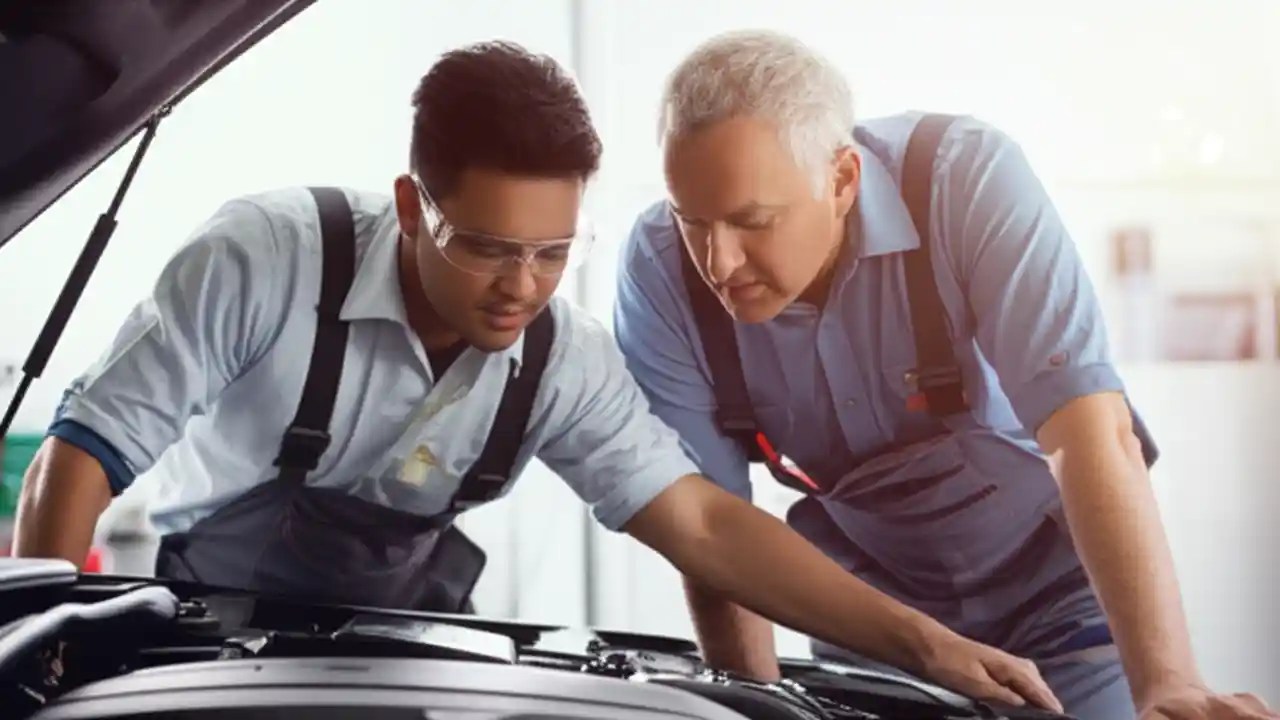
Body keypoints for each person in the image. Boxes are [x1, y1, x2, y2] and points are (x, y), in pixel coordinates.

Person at [10, 38, 1061, 709]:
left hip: (396, 654)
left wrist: (923, 645)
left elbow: (697, 522)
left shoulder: (560, 360)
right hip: (203, 649)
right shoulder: (267, 257)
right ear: (413, 204)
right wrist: (40, 660)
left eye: (553, 253)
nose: (521, 289)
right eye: (486, 247)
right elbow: (82, 459)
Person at [613, 29, 1277, 720]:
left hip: (1061, 597)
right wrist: (757, 701)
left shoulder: (963, 180)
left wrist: (1167, 683)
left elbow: (1088, 433)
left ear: (841, 180)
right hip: (874, 619)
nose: (718, 263)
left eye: (753, 222)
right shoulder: (660, 272)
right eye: (692, 222)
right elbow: (713, 529)